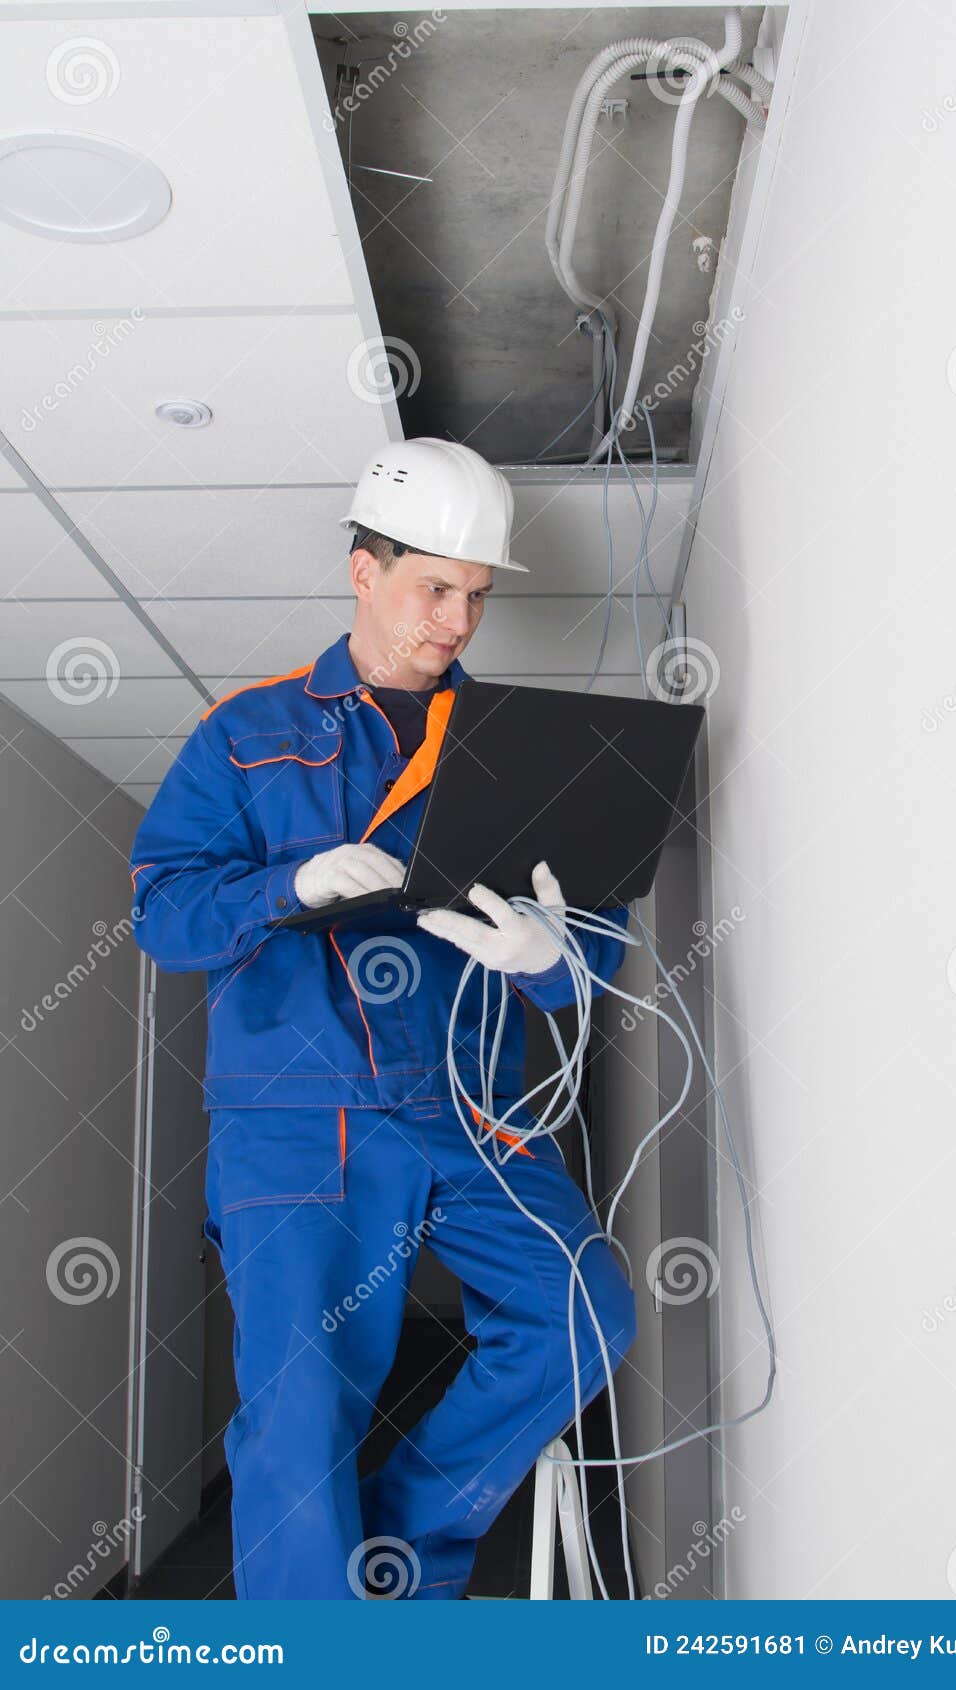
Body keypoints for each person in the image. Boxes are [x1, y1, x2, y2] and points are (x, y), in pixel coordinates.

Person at [129, 436, 637, 1600]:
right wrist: (286, 886)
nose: (457, 621)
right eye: (434, 588)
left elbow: (593, 945)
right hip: (299, 1112)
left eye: (476, 596)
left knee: (578, 1313)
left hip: (469, 1102)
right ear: (364, 570)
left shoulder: (518, 751)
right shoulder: (248, 735)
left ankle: (394, 1561)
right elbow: (163, 913)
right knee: (302, 1408)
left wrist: (550, 953)